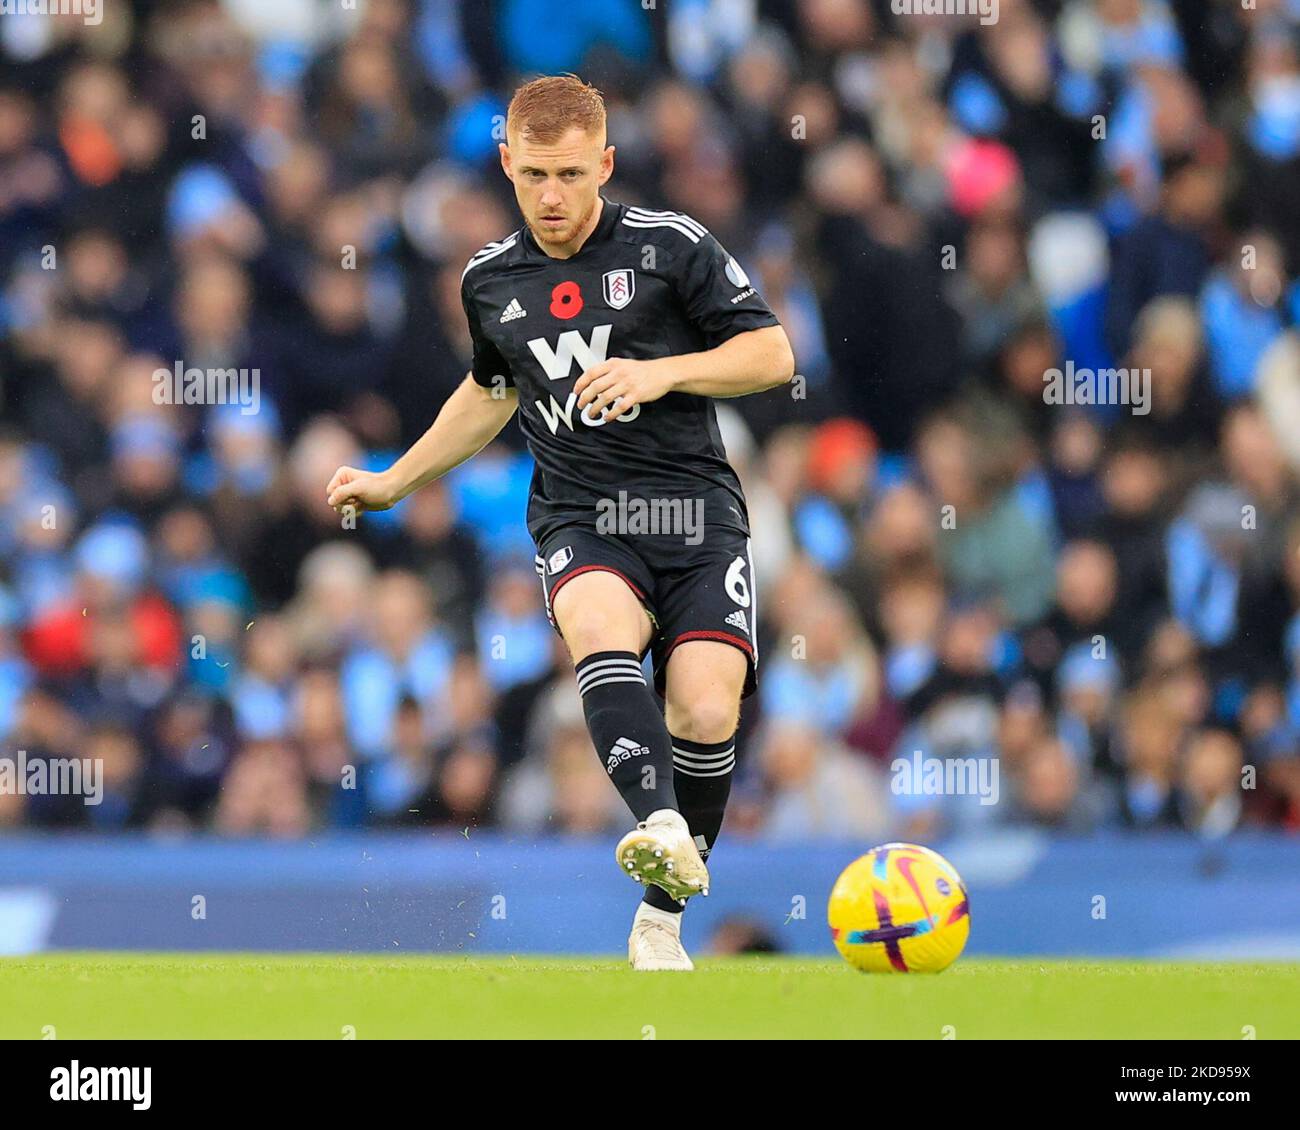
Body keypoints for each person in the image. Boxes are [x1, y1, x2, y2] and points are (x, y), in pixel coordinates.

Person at [325, 75, 795, 970]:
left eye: (571, 174)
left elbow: (772, 353)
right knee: (598, 627)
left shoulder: (671, 246)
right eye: (533, 173)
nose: (551, 196)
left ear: (606, 165)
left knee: (702, 707)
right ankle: (657, 819)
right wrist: (396, 480)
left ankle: (659, 921)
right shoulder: (490, 280)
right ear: (506, 163)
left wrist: (662, 373)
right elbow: (490, 392)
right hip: (584, 515)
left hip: (697, 517)